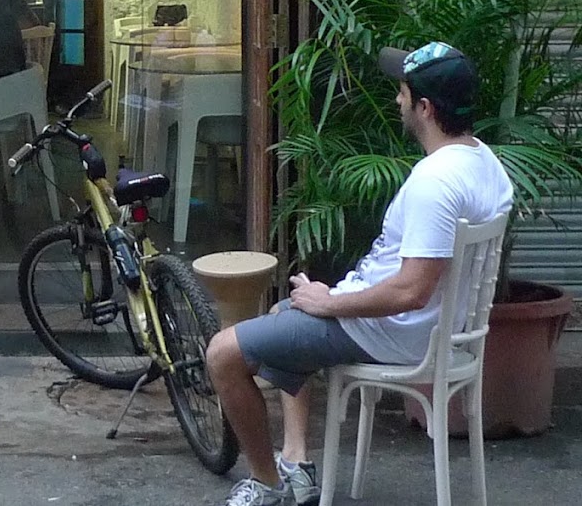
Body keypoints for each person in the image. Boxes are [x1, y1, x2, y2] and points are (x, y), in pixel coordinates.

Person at [205, 42, 513, 506]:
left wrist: (331, 303)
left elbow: (412, 291)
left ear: (425, 108)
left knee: (222, 354)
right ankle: (296, 460)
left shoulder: (436, 183)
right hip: (425, 328)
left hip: (393, 333)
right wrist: (329, 299)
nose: (397, 101)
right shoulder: (485, 163)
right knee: (284, 313)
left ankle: (267, 485)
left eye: (404, 93)